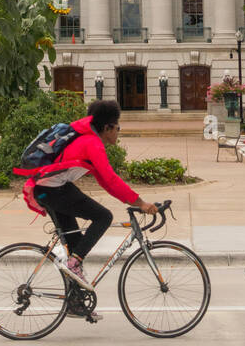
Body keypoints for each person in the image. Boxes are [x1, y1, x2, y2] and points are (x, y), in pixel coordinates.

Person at [16, 99, 158, 304]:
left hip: (52, 188)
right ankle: (73, 265)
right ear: (108, 127)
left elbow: (106, 182)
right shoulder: (92, 143)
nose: (119, 131)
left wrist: (135, 201)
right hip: (50, 190)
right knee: (103, 217)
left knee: (76, 248)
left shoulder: (90, 141)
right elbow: (110, 178)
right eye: (118, 127)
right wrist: (141, 203)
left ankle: (75, 302)